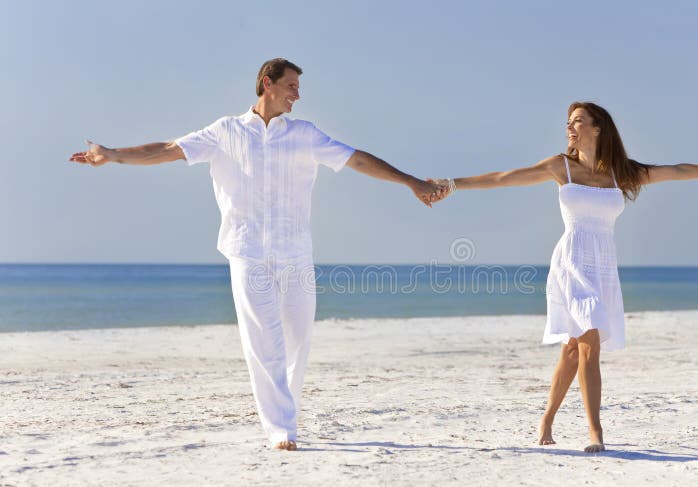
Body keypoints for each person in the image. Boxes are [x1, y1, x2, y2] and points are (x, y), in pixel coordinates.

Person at [70, 58, 438, 451]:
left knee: (298, 339)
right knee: (263, 340)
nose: (298, 94)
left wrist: (410, 181)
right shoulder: (225, 131)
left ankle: (284, 413)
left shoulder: (304, 134)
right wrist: (112, 153)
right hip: (247, 250)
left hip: (295, 251)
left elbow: (357, 159)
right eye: (292, 86)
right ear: (267, 83)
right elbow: (166, 149)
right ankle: (280, 428)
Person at [430, 101, 698, 452]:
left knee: (572, 351)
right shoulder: (561, 167)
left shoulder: (622, 173)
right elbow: (502, 178)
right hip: (571, 263)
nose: (570, 128)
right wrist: (451, 184)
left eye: (578, 122)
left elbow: (676, 170)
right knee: (589, 343)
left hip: (602, 265)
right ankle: (595, 432)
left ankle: (547, 418)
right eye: (568, 123)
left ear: (598, 128)